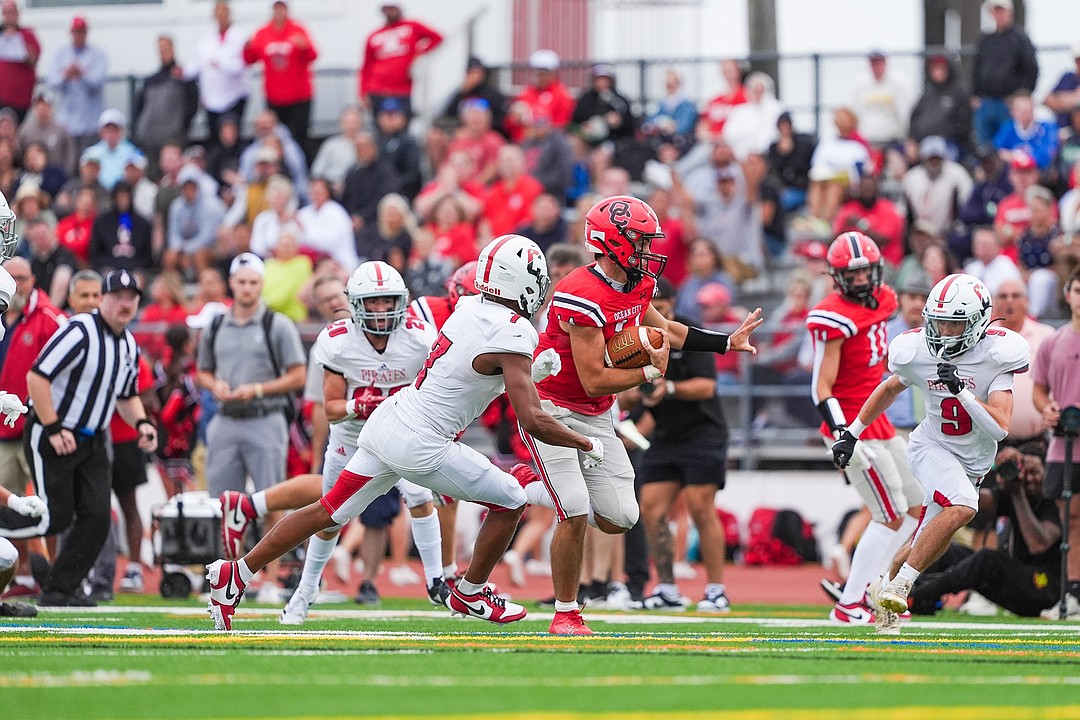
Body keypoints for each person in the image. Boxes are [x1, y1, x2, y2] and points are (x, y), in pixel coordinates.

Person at [205, 235, 599, 631]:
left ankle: (236, 573)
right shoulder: (514, 331)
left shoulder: (468, 307)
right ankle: (470, 590)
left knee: (327, 511)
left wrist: (532, 372)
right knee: (512, 499)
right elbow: (530, 418)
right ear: (522, 283)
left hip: (389, 422)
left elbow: (476, 369)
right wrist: (584, 441)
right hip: (421, 440)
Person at [518, 196, 763, 635]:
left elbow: (667, 330)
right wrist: (649, 370)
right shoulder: (579, 293)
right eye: (640, 241)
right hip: (553, 407)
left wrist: (725, 343)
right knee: (573, 510)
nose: (649, 250)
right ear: (612, 242)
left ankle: (534, 488)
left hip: (595, 414)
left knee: (620, 517)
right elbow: (593, 377)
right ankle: (566, 612)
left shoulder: (637, 282)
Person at [220, 261, 451, 622]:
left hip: (404, 431)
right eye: (372, 302)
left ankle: (438, 581)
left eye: (387, 300)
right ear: (356, 304)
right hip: (353, 436)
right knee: (329, 518)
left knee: (421, 497)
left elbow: (437, 394)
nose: (380, 309)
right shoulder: (338, 341)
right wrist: (357, 404)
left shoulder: (421, 337)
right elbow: (329, 409)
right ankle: (305, 592)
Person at [833, 273, 1029, 634]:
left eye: (952, 325)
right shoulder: (917, 349)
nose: (941, 332)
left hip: (972, 459)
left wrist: (963, 392)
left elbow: (1000, 427)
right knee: (965, 505)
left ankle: (883, 590)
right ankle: (901, 586)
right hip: (931, 446)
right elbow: (889, 388)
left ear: (976, 323)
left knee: (928, 541)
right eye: (937, 322)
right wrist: (852, 433)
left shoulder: (997, 353)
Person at [808, 232, 924, 628]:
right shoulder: (831, 316)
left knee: (916, 506)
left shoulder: (887, 299)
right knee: (889, 513)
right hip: (851, 426)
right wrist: (843, 431)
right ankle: (848, 605)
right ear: (837, 277)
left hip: (881, 418)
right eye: (851, 274)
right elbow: (821, 385)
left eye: (864, 273)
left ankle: (875, 586)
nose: (859, 281)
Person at [24, 270, 158, 606]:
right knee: (54, 514)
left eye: (132, 298)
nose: (125, 304)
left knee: (98, 517)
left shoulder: (129, 343)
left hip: (93, 439)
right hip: (52, 433)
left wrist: (142, 422)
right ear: (103, 299)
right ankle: (33, 570)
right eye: (118, 297)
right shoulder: (79, 330)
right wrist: (54, 427)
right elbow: (37, 377)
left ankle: (60, 588)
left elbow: (127, 395)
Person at [195, 252, 306, 603]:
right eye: (241, 282)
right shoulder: (215, 324)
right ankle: (224, 578)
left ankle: (271, 579)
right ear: (232, 284)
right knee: (222, 504)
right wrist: (215, 387)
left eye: (253, 282)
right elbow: (203, 370)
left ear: (261, 285)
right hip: (226, 419)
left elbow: (298, 375)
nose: (246, 288)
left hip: (265, 418)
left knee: (270, 497)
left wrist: (257, 389)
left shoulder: (277, 324)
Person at [635, 277, 732, 612]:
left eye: (659, 310)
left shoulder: (687, 332)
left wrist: (669, 389)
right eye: (650, 309)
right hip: (665, 434)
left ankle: (716, 589)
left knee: (701, 507)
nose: (654, 316)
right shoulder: (633, 334)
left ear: (671, 306)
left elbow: (707, 385)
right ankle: (666, 589)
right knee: (650, 509)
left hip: (703, 432)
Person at [907, 441, 1061, 617]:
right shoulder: (1014, 489)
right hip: (1015, 582)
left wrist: (1017, 493)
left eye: (1035, 472)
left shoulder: (1055, 500)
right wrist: (993, 467)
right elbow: (974, 500)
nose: (1030, 479)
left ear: (1046, 473)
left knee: (987, 559)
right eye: (1025, 473)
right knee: (949, 551)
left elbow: (1038, 544)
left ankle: (911, 596)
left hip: (1044, 588)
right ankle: (922, 600)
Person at [1032, 269, 1080, 619]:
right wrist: (1047, 409)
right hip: (1064, 447)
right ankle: (1072, 592)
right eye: (1078, 289)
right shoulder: (1053, 341)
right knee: (1071, 520)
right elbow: (1039, 389)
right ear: (1068, 294)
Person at [243, 1, 317, 157]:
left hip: (299, 97)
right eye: (277, 9)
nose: (279, 12)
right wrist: (247, 47)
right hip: (275, 98)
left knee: (299, 138)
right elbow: (250, 59)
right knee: (275, 138)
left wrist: (304, 47)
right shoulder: (263, 33)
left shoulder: (298, 30)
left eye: (282, 9)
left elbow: (313, 56)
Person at [991, 278, 1054, 447]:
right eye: (1003, 296)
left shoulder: (1046, 336)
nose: (1009, 301)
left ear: (1027, 301)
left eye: (1016, 295)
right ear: (995, 302)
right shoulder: (984, 338)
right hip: (992, 443)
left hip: (1038, 440)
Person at [972, 0, 1038, 147]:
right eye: (996, 10)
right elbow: (976, 69)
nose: (999, 14)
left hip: (1008, 105)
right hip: (986, 103)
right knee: (985, 150)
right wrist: (975, 95)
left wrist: (1020, 97)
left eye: (1002, 10)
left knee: (1007, 147)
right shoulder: (986, 40)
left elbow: (1032, 70)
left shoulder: (1020, 39)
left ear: (1010, 12)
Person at [359, 3, 442, 117]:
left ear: (399, 8)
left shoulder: (412, 26)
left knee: (403, 127)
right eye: (387, 8)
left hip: (402, 90)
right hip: (377, 90)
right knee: (379, 129)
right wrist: (363, 92)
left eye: (393, 7)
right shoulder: (373, 36)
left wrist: (420, 54)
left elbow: (437, 38)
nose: (390, 11)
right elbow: (366, 67)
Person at [186, 1, 249, 149]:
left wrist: (221, 63)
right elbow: (198, 63)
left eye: (224, 13)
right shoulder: (206, 40)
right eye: (217, 13)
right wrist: (184, 71)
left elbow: (243, 65)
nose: (221, 17)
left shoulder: (240, 37)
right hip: (211, 100)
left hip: (233, 97)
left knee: (231, 137)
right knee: (214, 138)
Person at [133, 35, 199, 165]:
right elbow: (139, 108)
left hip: (172, 138)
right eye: (160, 49)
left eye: (165, 48)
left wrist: (180, 127)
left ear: (173, 49)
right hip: (149, 138)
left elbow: (193, 106)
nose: (163, 52)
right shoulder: (150, 81)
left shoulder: (184, 78)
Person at [47, 16, 107, 153]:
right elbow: (52, 82)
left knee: (90, 163)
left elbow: (97, 82)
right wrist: (66, 75)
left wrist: (81, 73)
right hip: (67, 124)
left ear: (86, 33)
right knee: (69, 166)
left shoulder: (97, 54)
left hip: (90, 123)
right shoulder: (61, 54)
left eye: (81, 31)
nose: (78, 35)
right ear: (71, 33)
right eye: (75, 31)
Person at [909, 53, 972, 159]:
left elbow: (964, 125)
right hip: (922, 142)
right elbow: (915, 118)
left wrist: (941, 134)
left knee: (936, 150)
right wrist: (912, 140)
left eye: (942, 68)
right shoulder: (927, 93)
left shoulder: (959, 92)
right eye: (935, 68)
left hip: (950, 142)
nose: (938, 72)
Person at [0, 1, 40, 125]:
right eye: (6, 13)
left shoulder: (26, 35)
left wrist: (18, 42)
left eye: (12, 12)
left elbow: (33, 60)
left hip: (20, 100)